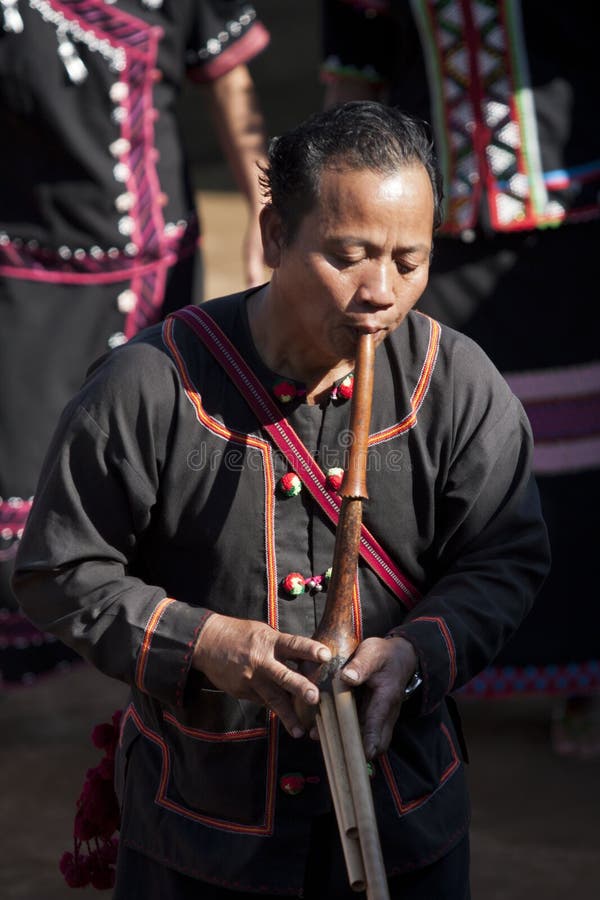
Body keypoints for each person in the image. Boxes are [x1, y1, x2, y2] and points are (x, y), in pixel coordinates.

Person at [13, 101, 549, 898]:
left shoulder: (458, 383)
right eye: (349, 255)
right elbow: (59, 569)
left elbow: (505, 557)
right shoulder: (152, 384)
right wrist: (203, 643)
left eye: (409, 260)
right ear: (272, 236)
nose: (381, 293)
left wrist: (415, 653)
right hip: (200, 834)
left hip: (405, 824)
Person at [320, 0, 600, 756]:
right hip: (423, 229)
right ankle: (431, 667)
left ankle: (585, 677)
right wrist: (339, 204)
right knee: (426, 449)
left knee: (578, 457)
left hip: (572, 222)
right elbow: (356, 67)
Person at [0, 0, 270, 686]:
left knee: (159, 471)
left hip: (153, 271)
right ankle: (34, 671)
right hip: (19, 269)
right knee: (18, 477)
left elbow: (232, 84)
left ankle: (159, 662)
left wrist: (267, 214)